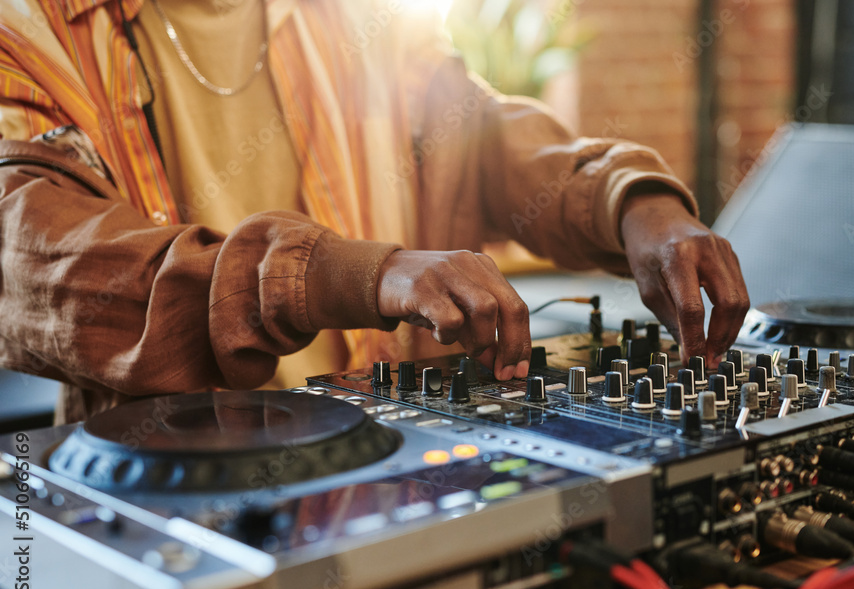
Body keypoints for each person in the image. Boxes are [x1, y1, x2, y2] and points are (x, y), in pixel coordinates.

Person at [0, 0, 749, 423]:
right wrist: (355, 274)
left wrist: (632, 201)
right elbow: (33, 251)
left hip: (393, 470)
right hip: (178, 508)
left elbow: (478, 134)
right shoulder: (28, 33)